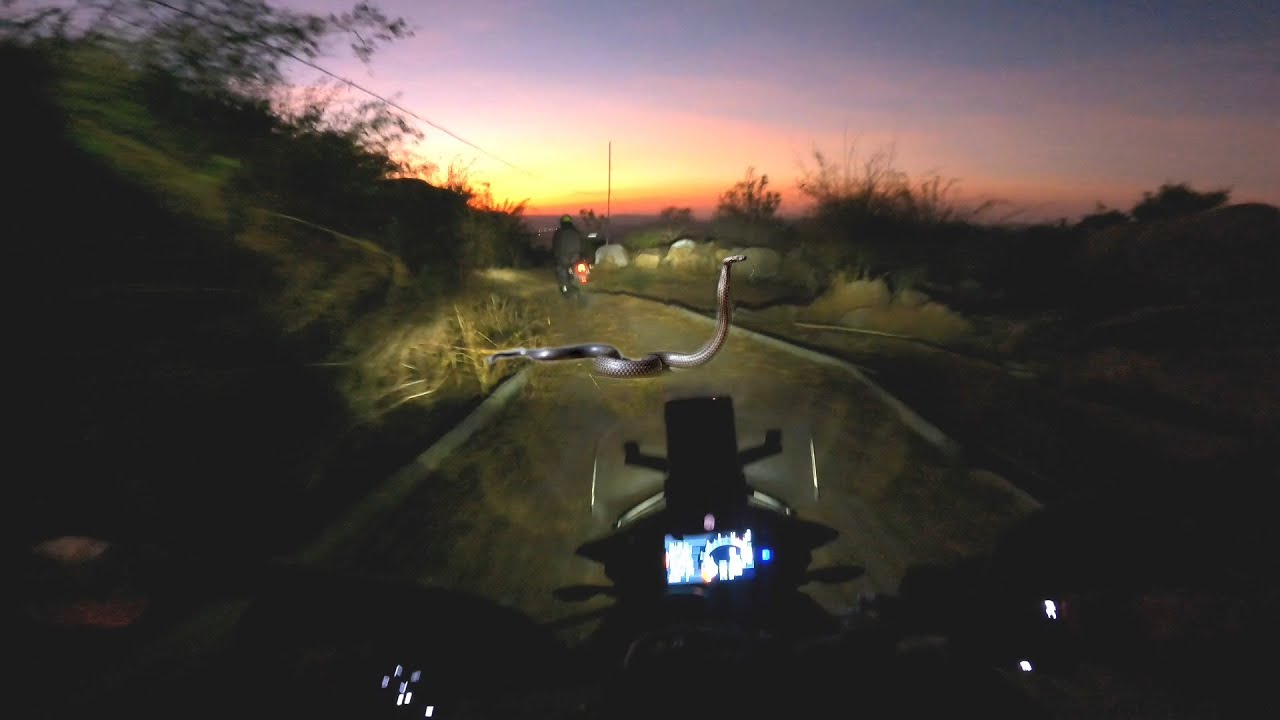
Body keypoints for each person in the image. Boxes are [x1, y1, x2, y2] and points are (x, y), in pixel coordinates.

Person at [551, 214, 585, 293]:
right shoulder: (576, 232)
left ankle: (565, 289)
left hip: (563, 258)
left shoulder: (558, 233)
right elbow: (581, 244)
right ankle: (576, 286)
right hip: (575, 257)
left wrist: (556, 255)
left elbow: (555, 245)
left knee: (561, 271)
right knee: (575, 271)